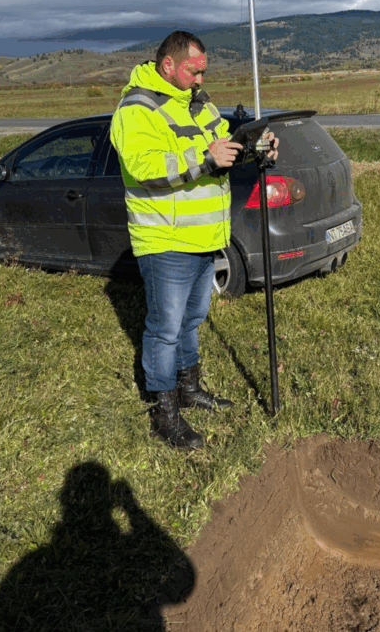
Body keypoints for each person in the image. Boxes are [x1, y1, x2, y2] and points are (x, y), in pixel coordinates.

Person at [111, 31, 276, 450]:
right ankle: (164, 411)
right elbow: (143, 166)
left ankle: (189, 387)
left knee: (192, 320)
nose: (201, 79)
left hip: (206, 237)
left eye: (204, 71)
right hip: (166, 240)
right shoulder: (137, 108)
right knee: (165, 329)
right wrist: (203, 159)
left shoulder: (199, 102)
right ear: (169, 65)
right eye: (194, 71)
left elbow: (224, 147)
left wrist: (255, 148)